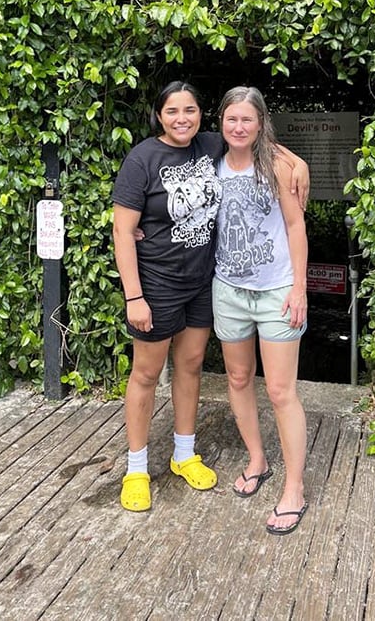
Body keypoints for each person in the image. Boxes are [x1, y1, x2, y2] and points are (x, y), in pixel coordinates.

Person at [112, 80, 308, 512]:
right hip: (157, 282)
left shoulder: (209, 144)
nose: (182, 118)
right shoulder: (142, 159)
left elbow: (255, 137)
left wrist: (298, 162)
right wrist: (133, 296)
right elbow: (122, 231)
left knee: (191, 365)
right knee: (146, 373)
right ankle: (136, 469)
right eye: (172, 111)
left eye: (190, 110)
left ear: (202, 116)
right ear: (159, 115)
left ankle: (184, 454)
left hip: (203, 281)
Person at [213, 86, 309, 535]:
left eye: (247, 119)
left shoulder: (277, 166)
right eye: (231, 119)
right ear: (221, 121)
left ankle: (294, 488)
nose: (238, 127)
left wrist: (300, 288)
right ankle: (257, 459)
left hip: (276, 292)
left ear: (260, 123)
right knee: (237, 378)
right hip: (228, 290)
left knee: (280, 391)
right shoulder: (211, 160)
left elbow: (295, 225)